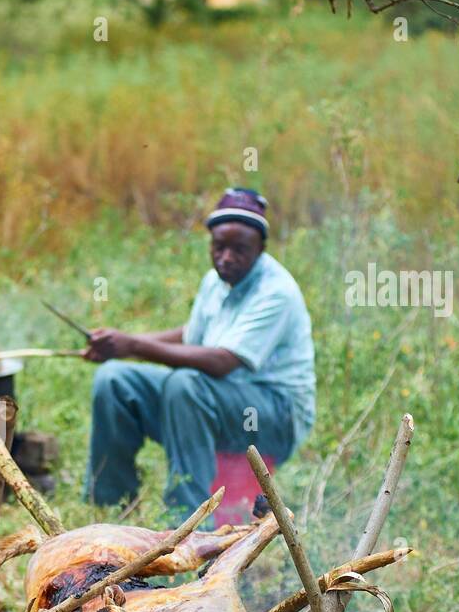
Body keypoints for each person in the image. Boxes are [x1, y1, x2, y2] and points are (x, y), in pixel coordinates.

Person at [84, 188, 315, 516]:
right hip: (220, 401)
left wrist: (132, 345)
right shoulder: (216, 281)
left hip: (274, 417)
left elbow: (220, 362)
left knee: (186, 384)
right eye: (219, 247)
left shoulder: (276, 292)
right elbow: (190, 337)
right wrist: (117, 346)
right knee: (114, 380)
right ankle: (110, 504)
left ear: (261, 248)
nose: (226, 258)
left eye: (240, 250)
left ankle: (187, 522)